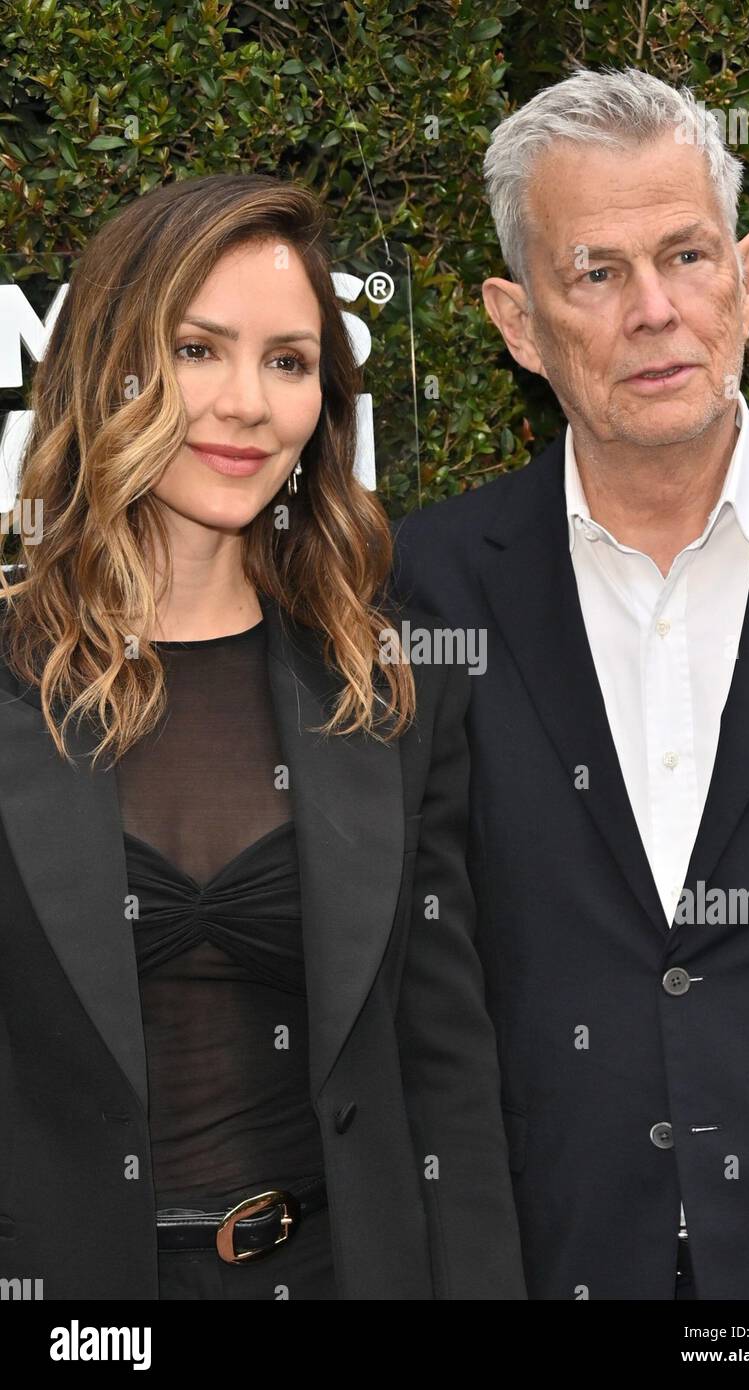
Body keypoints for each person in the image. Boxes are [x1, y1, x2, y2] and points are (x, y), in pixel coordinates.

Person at [0, 172, 526, 1301]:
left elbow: (443, 1071)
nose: (247, 403)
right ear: (109, 365)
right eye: (198, 349)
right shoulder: (10, 680)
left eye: (288, 361)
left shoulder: (387, 689)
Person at [391, 65, 749, 1300]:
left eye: (687, 257)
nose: (653, 311)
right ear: (515, 321)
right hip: (547, 1258)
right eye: (595, 272)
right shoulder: (417, 588)